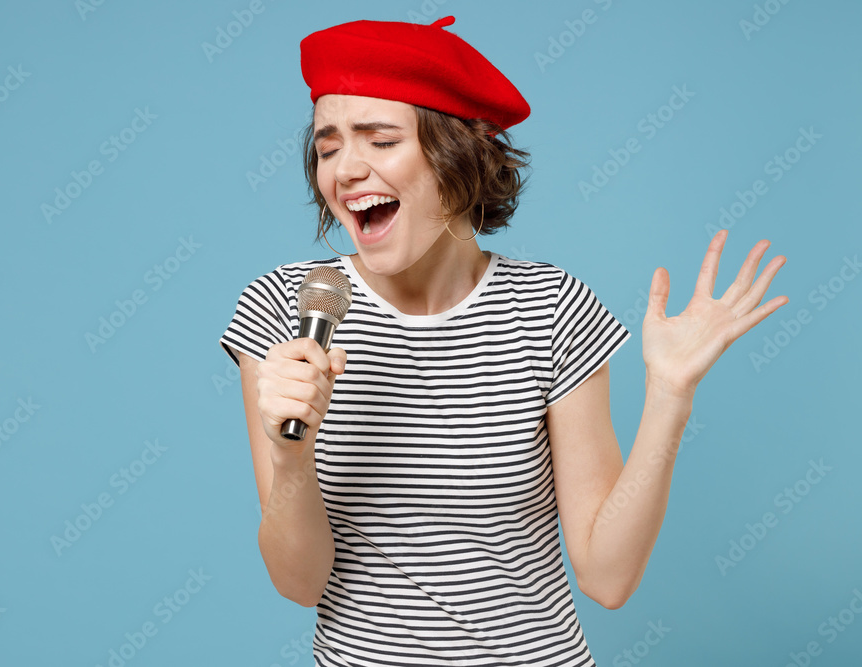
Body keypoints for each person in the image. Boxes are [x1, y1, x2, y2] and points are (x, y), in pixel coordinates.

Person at [219, 15, 787, 666]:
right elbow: (300, 583)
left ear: (456, 155)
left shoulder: (552, 310)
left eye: (379, 140)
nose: (346, 170)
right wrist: (291, 453)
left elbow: (608, 577)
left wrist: (669, 394)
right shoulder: (285, 309)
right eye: (327, 147)